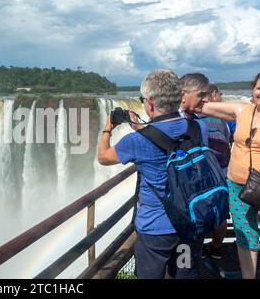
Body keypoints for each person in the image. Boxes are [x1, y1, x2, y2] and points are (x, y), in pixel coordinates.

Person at [97, 70, 208, 279]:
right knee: (184, 274)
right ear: (178, 98)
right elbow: (171, 139)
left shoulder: (136, 142)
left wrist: (107, 128)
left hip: (154, 232)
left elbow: (103, 157)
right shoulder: (197, 128)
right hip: (191, 224)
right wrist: (141, 126)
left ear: (149, 103)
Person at [194, 73, 260, 279]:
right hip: (238, 184)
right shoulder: (242, 110)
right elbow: (201, 107)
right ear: (253, 89)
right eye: (259, 88)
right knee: (244, 233)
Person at [180, 75, 231, 260]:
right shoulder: (220, 120)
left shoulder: (191, 121)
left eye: (207, 95)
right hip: (221, 174)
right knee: (219, 212)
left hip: (200, 177)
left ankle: (193, 257)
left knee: (197, 214)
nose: (207, 100)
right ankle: (215, 249)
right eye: (202, 95)